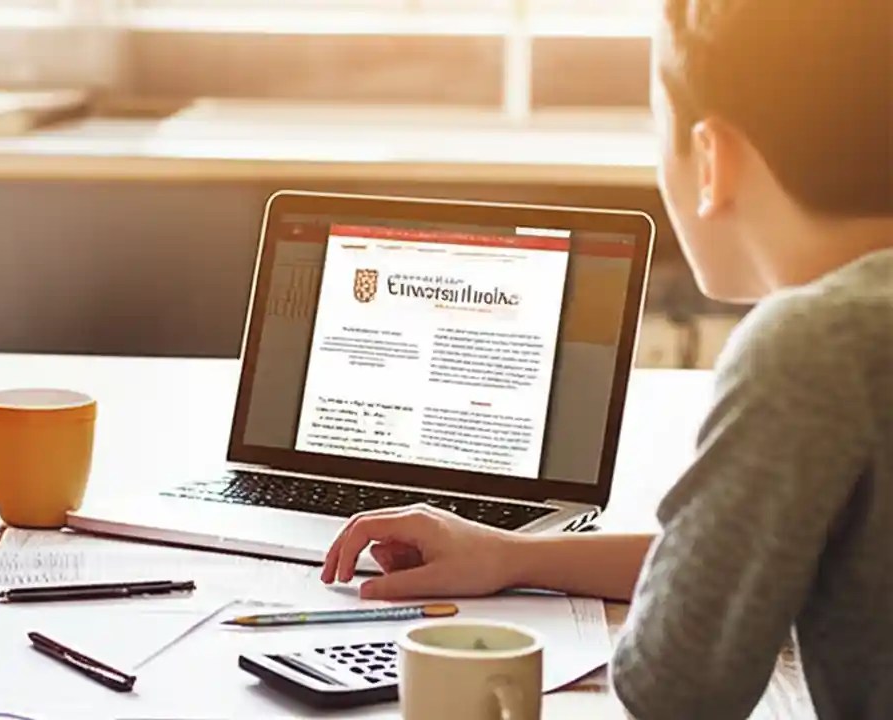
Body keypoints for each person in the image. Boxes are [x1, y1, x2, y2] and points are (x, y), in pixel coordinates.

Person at [321, 1, 891, 718]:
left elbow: (673, 690)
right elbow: (740, 560)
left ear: (712, 160)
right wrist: (511, 555)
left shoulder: (815, 347)